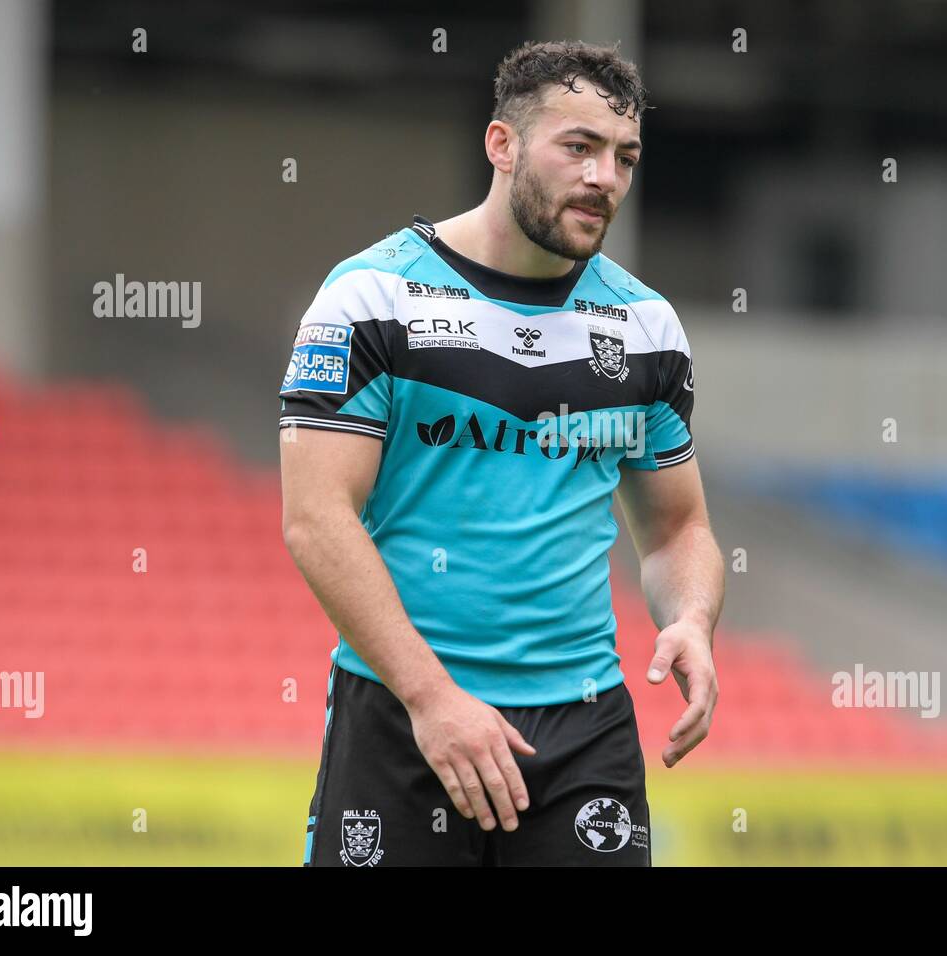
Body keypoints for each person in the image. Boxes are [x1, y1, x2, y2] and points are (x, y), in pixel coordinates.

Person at [279, 39, 724, 867]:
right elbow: (315, 520)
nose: (606, 179)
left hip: (584, 730)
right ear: (502, 145)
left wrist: (691, 620)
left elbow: (677, 531)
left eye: (624, 157)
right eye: (580, 148)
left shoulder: (647, 327)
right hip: (405, 715)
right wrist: (431, 696)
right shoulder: (371, 298)